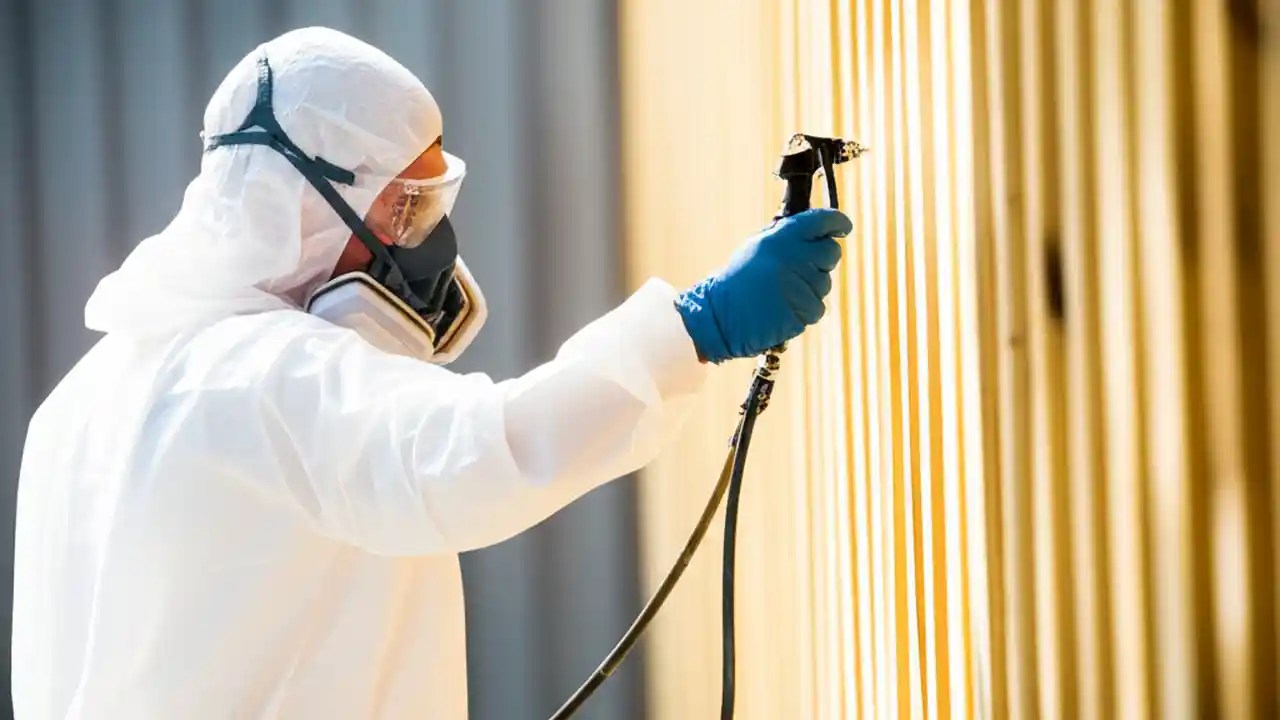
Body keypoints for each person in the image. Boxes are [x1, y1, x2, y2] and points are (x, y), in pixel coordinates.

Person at [11, 27, 850, 719]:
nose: (426, 244)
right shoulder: (267, 372)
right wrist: (693, 329)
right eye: (406, 209)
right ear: (303, 202)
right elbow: (471, 455)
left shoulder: (75, 407)